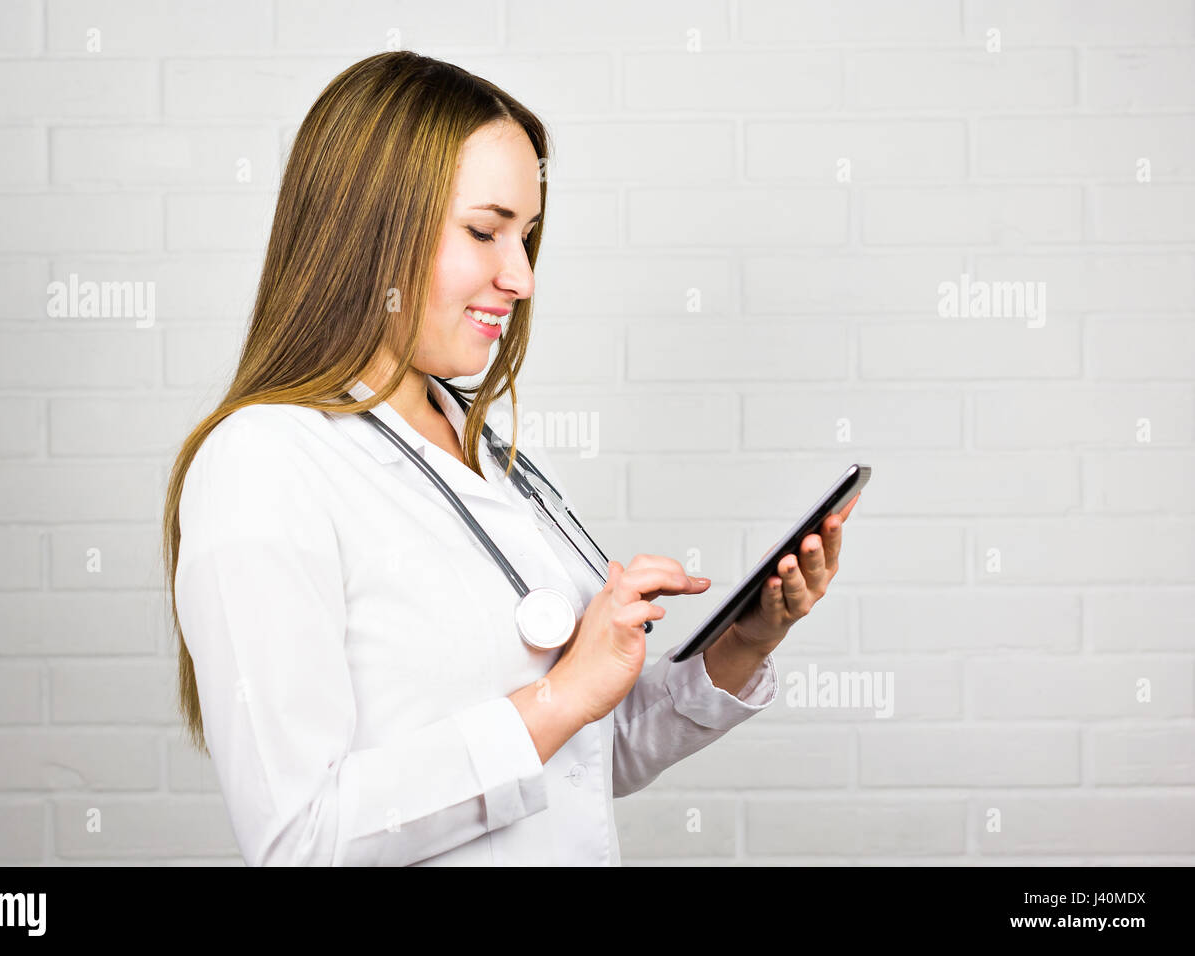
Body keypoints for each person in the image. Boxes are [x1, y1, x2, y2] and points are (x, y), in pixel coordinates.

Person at [161, 51, 854, 866]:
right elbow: (302, 840)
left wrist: (746, 638)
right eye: (485, 232)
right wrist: (560, 695)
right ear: (368, 227)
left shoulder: (482, 446)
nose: (520, 276)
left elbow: (586, 756)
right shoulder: (263, 463)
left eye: (525, 237)